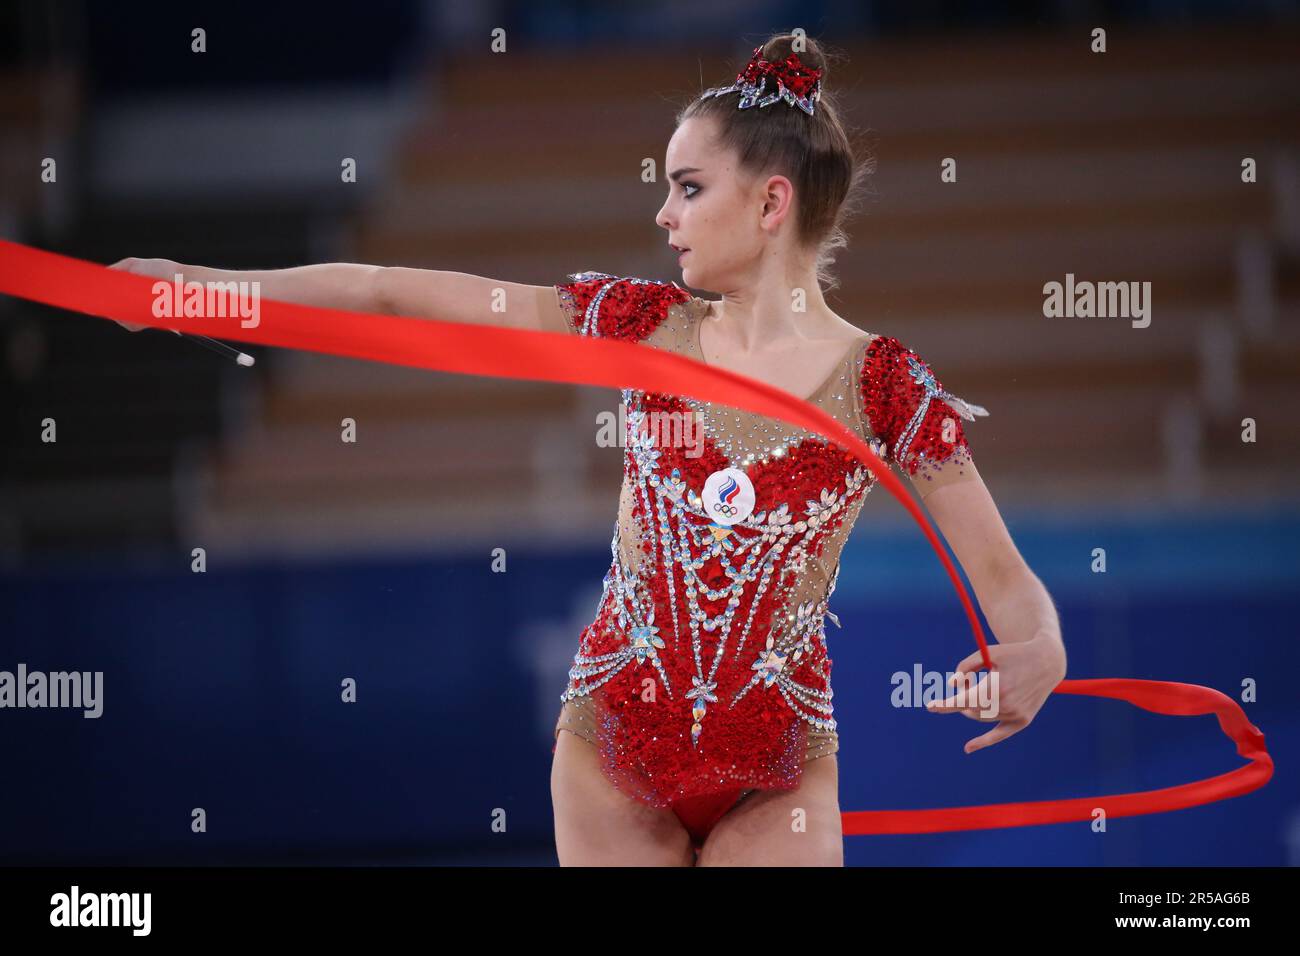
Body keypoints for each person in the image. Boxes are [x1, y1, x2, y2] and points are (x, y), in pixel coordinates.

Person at [111, 33, 1067, 867]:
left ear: (772, 203)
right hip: (615, 741)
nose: (665, 215)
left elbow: (1005, 581)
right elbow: (391, 295)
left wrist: (1044, 652)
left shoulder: (885, 387)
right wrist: (195, 290)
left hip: (778, 763)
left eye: (688, 189)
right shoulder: (637, 323)